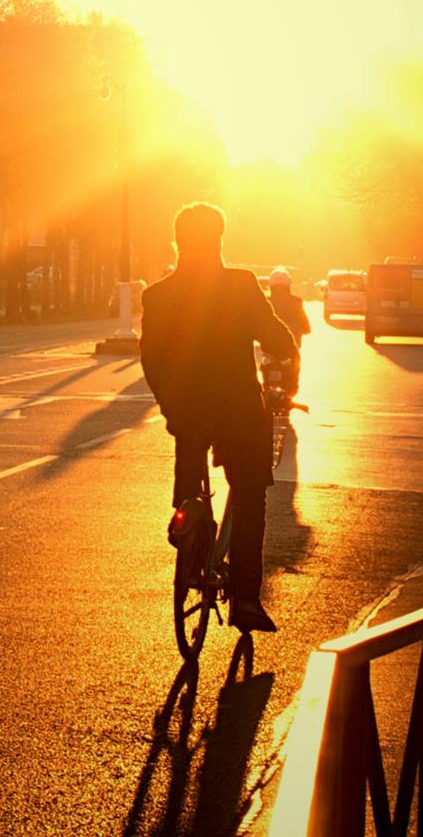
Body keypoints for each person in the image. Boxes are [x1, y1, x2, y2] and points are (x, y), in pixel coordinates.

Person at [140, 203, 297, 632]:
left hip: (188, 410)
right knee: (249, 495)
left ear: (177, 241)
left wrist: (171, 407)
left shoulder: (157, 295)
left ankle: (187, 530)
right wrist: (283, 346)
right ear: (219, 240)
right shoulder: (241, 285)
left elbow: (151, 359)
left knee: (189, 478)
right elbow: (278, 339)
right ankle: (245, 599)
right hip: (237, 410)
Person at [265, 268, 311, 399]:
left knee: (263, 365)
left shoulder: (265, 302)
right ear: (288, 285)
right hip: (290, 348)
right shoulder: (296, 303)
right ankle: (289, 391)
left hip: (268, 349)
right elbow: (306, 327)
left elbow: (254, 321)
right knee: (294, 367)